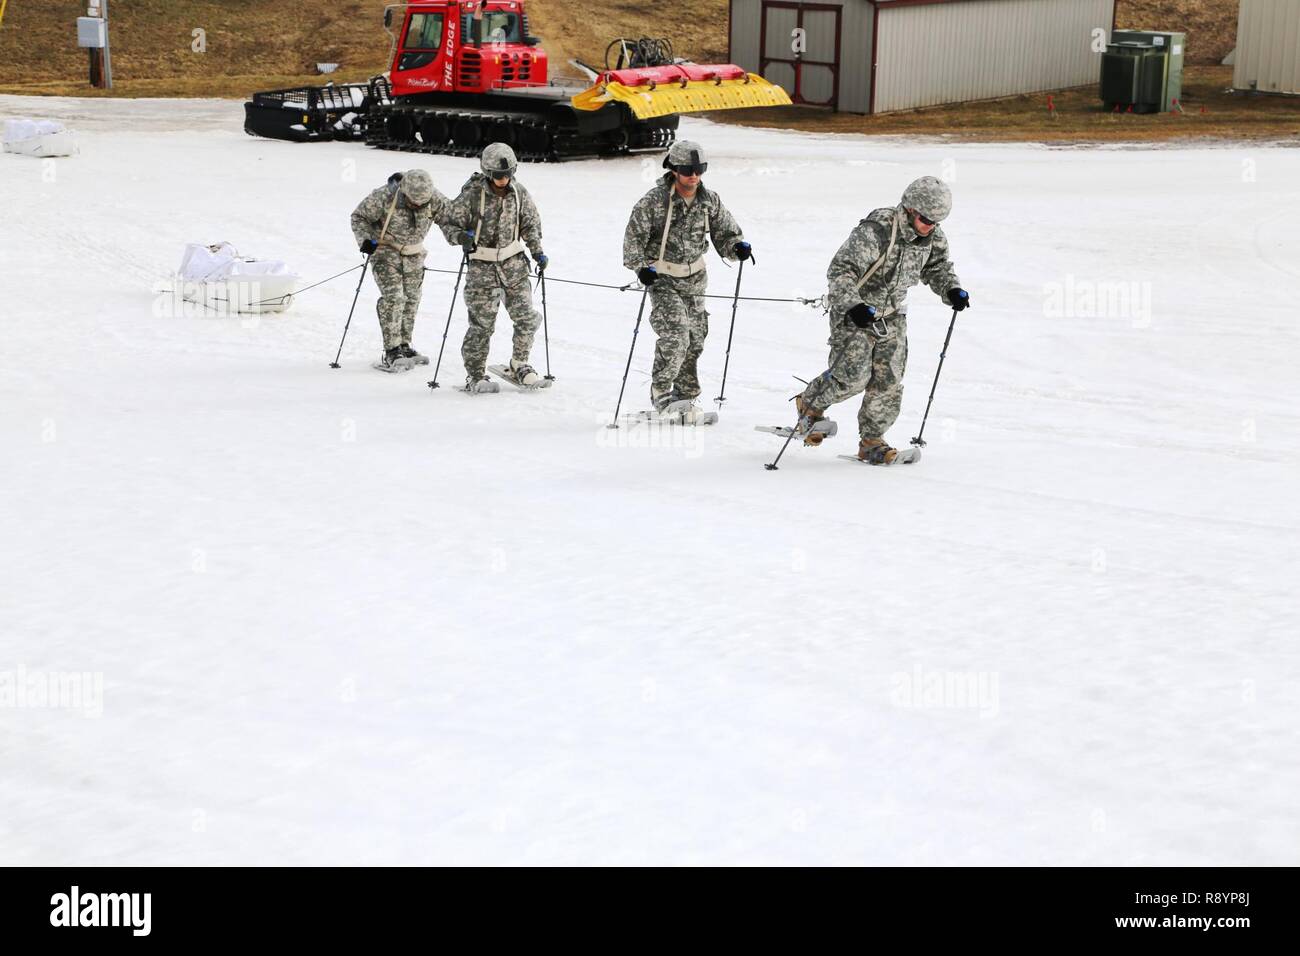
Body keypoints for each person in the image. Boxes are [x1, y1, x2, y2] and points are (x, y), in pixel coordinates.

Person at [794, 176, 971, 463]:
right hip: (856, 313)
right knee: (852, 377)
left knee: (888, 381)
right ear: (911, 210)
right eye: (926, 219)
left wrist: (951, 289)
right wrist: (854, 305)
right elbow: (841, 271)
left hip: (892, 316)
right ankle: (810, 404)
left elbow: (937, 267)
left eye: (937, 222)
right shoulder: (878, 230)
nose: (931, 227)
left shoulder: (932, 236)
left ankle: (872, 442)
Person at [622, 140, 749, 415]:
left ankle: (686, 393)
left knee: (696, 337)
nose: (694, 175)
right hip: (663, 279)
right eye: (688, 169)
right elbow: (632, 241)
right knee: (676, 334)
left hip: (695, 280)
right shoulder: (654, 202)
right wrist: (641, 267)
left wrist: (736, 247)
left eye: (699, 168)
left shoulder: (709, 200)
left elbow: (726, 233)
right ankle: (662, 391)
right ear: (674, 169)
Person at [440, 143, 547, 393]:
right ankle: (475, 374)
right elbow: (448, 222)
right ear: (487, 173)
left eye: (508, 174)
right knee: (482, 325)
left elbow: (530, 223)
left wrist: (537, 250)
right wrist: (460, 237)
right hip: (482, 269)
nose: (503, 179)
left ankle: (519, 364)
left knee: (527, 319)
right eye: (498, 176)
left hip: (514, 266)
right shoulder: (472, 195)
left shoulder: (519, 193)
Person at [350, 169, 450, 371]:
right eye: (413, 202)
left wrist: (462, 236)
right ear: (404, 192)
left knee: (412, 298)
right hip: (386, 252)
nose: (417, 206)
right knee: (394, 298)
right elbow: (359, 217)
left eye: (421, 204)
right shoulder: (383, 196)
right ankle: (391, 350)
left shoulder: (433, 197)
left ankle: (404, 344)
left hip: (414, 254)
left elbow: (451, 218)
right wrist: (365, 240)